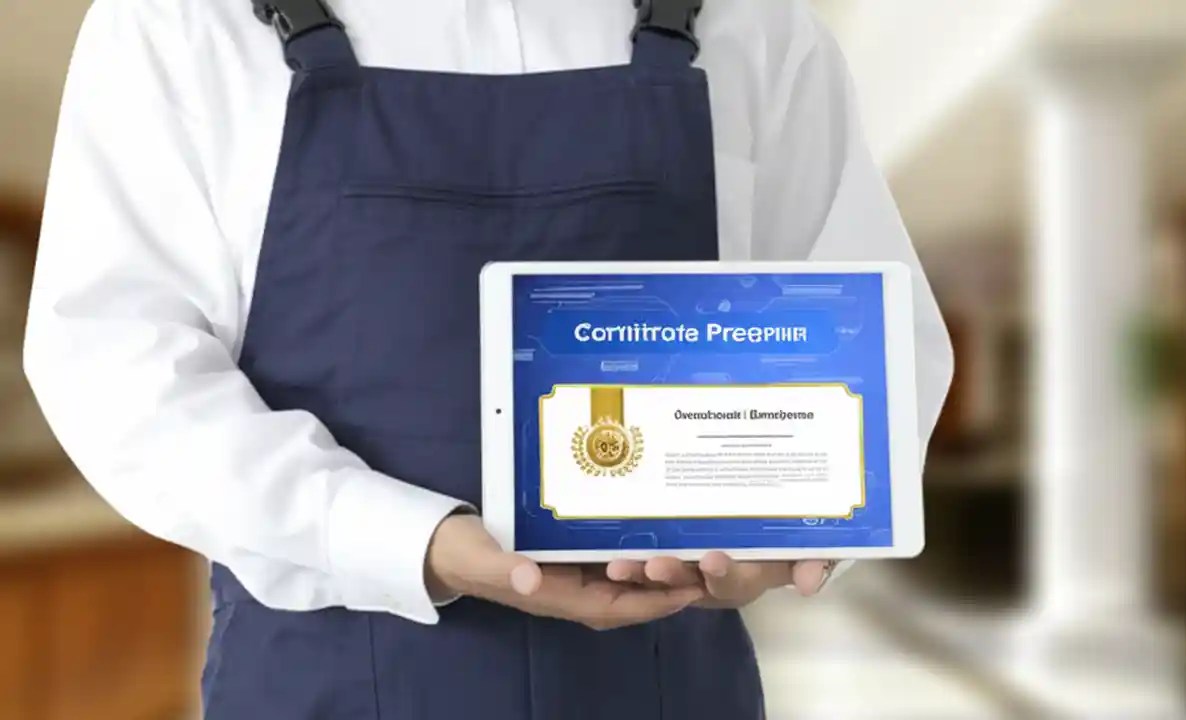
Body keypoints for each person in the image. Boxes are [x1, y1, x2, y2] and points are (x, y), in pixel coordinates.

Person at [25, 0, 954, 717]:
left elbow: (875, 341)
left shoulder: (748, 25)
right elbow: (114, 364)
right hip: (322, 690)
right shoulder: (185, 22)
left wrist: (793, 531)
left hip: (668, 685)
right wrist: (405, 540)